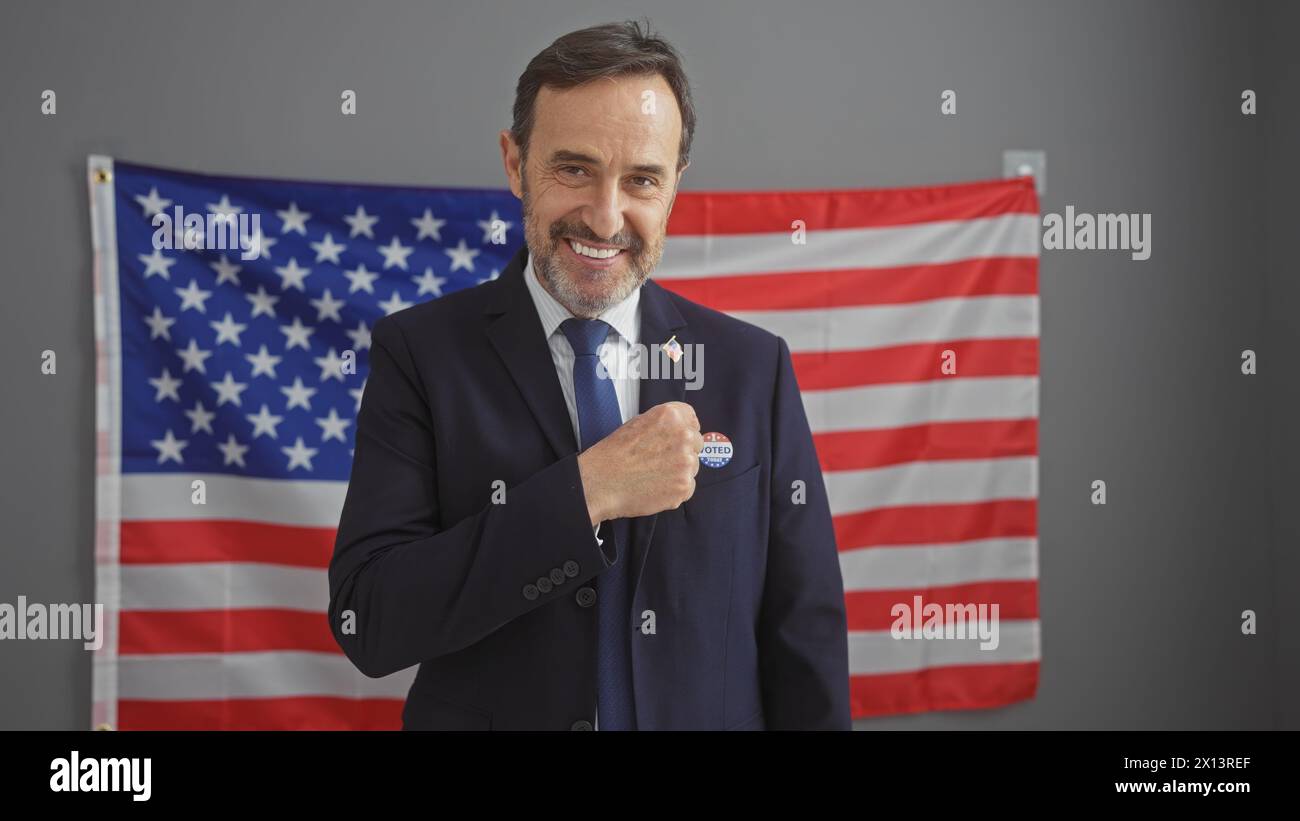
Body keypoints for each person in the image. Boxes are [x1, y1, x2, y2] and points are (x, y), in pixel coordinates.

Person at [328, 19, 850, 730]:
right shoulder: (419, 355)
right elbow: (372, 620)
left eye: (641, 179)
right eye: (573, 168)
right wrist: (587, 491)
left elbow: (804, 637)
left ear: (673, 188)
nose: (606, 217)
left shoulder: (753, 368)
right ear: (515, 164)